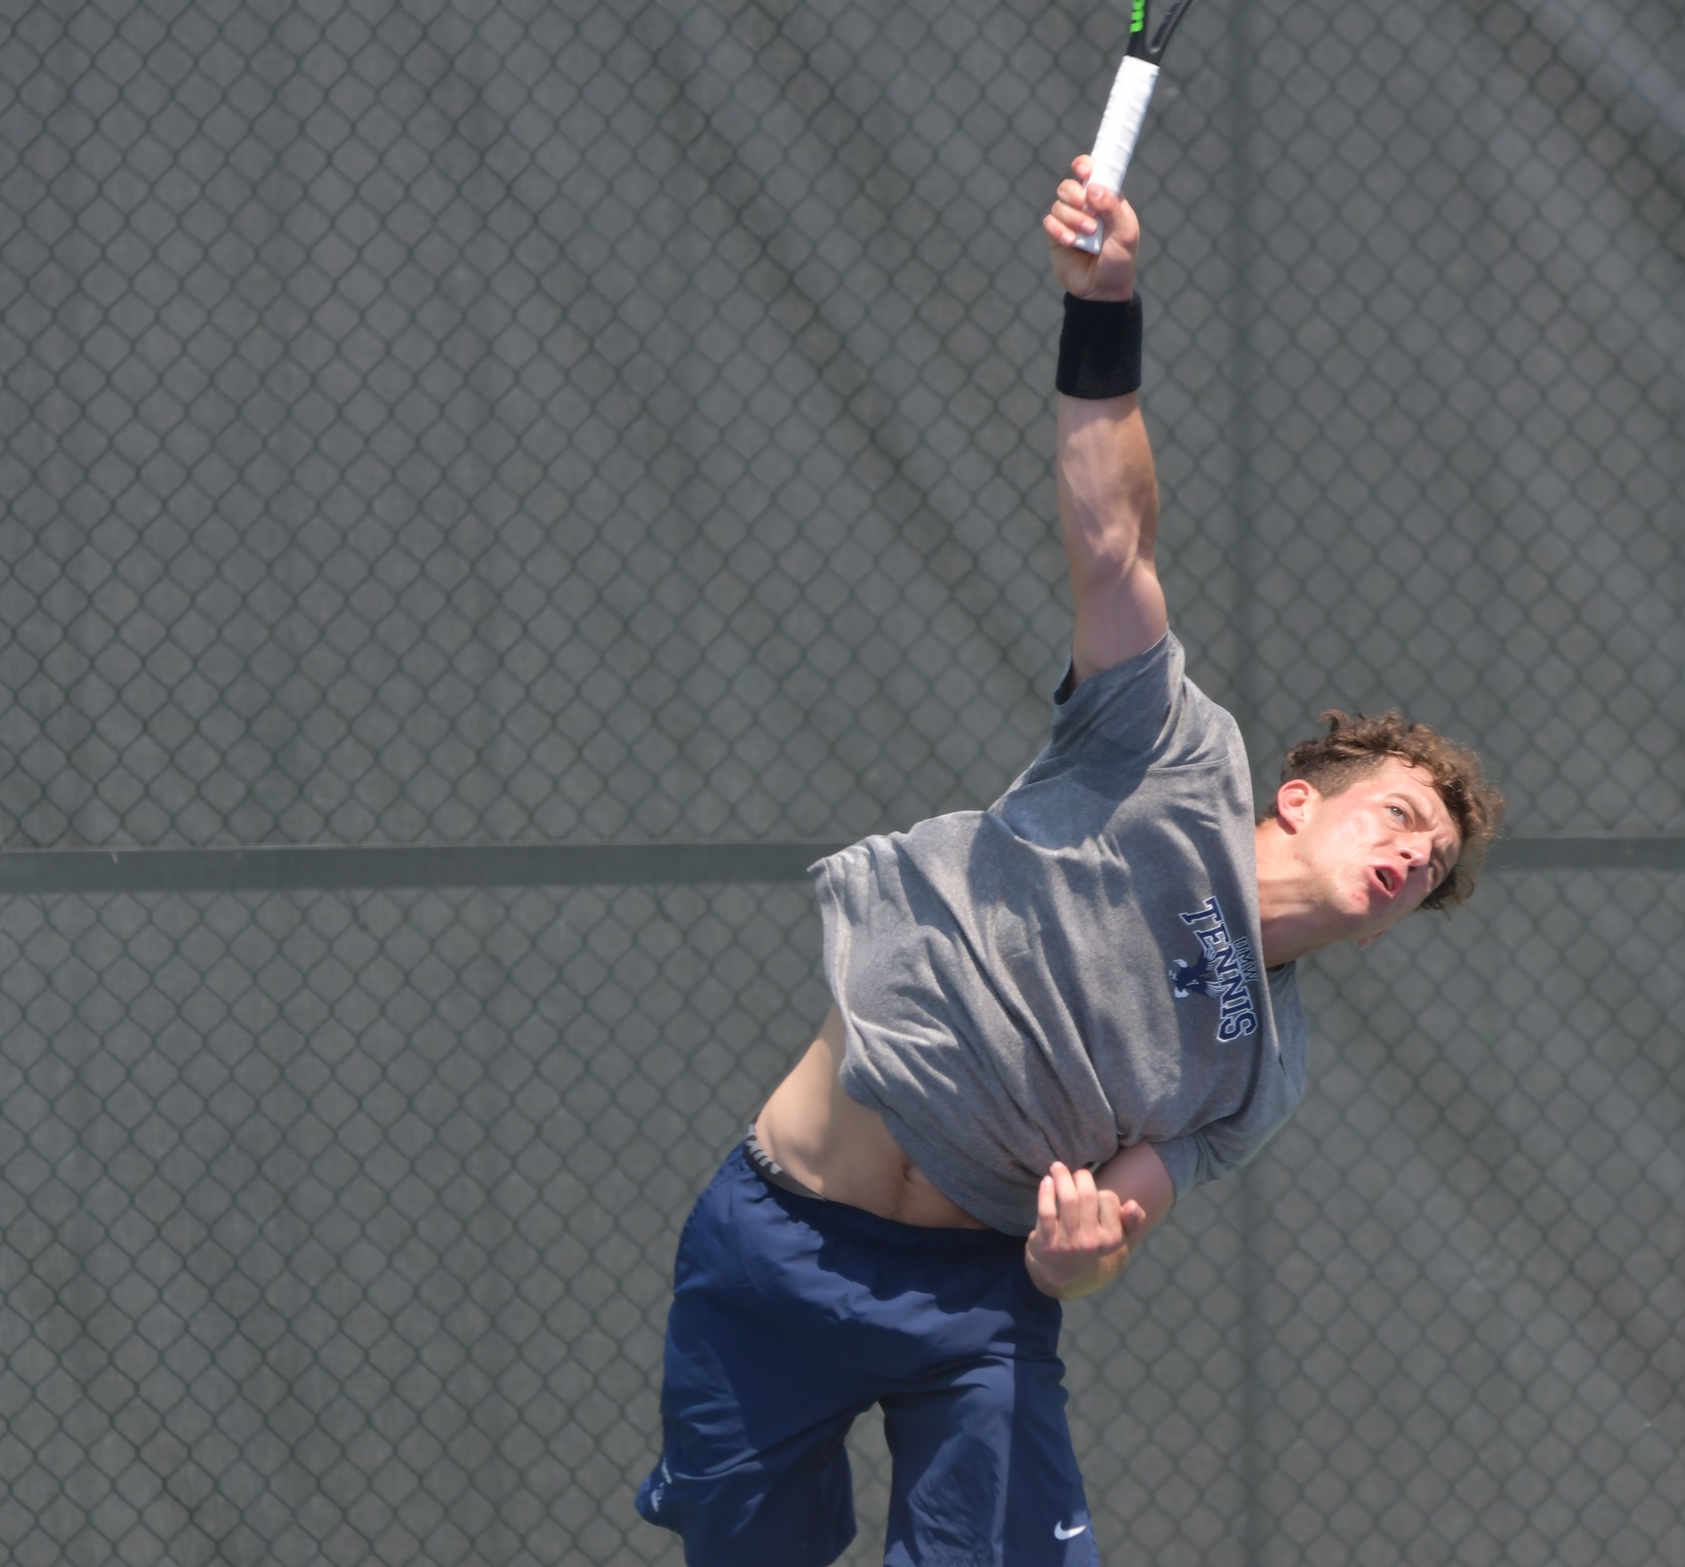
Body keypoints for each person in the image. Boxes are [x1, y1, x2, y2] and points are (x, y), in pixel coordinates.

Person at [635, 153, 1503, 1567]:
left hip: (976, 1301)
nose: (1415, 851)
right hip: (777, 1242)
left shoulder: (1255, 1069)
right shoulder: (1163, 749)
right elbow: (1111, 532)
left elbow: (1114, 1233)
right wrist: (1106, 304)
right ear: (1299, 797)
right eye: (1402, 813)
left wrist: (1078, 1257)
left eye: (1437, 858)